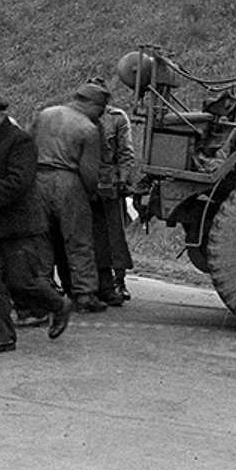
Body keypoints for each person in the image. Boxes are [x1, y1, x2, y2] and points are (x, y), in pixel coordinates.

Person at [0, 90, 70, 356]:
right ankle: (1, 337)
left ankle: (59, 305)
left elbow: (18, 182)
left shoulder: (20, 142)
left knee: (23, 282)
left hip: (18, 225)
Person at [31, 81, 108, 312]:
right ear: (92, 104)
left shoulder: (45, 114)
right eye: (101, 110)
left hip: (38, 179)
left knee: (41, 240)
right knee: (79, 241)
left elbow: (28, 144)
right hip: (69, 181)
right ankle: (84, 295)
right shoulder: (87, 128)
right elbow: (89, 171)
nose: (101, 116)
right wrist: (92, 193)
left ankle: (43, 293)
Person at [91, 81, 138, 305]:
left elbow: (126, 153)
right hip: (85, 181)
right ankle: (94, 283)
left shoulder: (116, 118)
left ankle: (119, 281)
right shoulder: (77, 117)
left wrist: (122, 180)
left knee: (114, 235)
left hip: (109, 182)